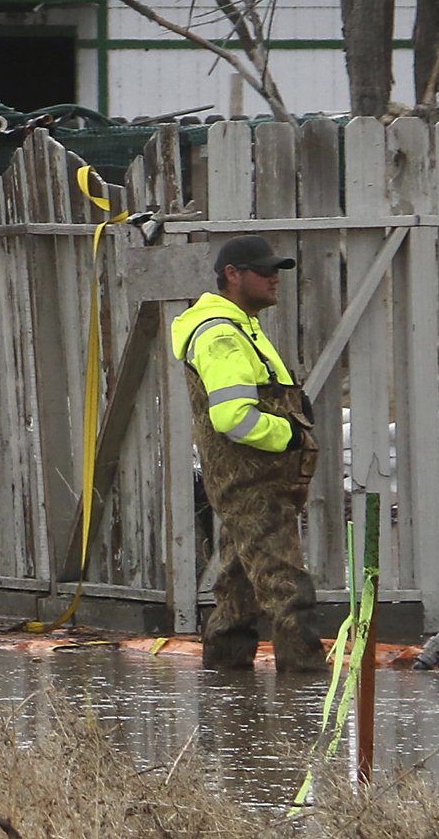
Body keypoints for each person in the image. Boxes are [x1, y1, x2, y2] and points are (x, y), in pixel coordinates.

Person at [174, 234, 326, 676]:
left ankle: (226, 693)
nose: (273, 278)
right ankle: (307, 700)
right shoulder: (222, 335)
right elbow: (234, 418)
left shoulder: (239, 326)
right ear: (232, 275)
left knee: (237, 594)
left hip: (253, 483)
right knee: (289, 593)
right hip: (253, 484)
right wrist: (289, 435)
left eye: (276, 270)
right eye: (264, 271)